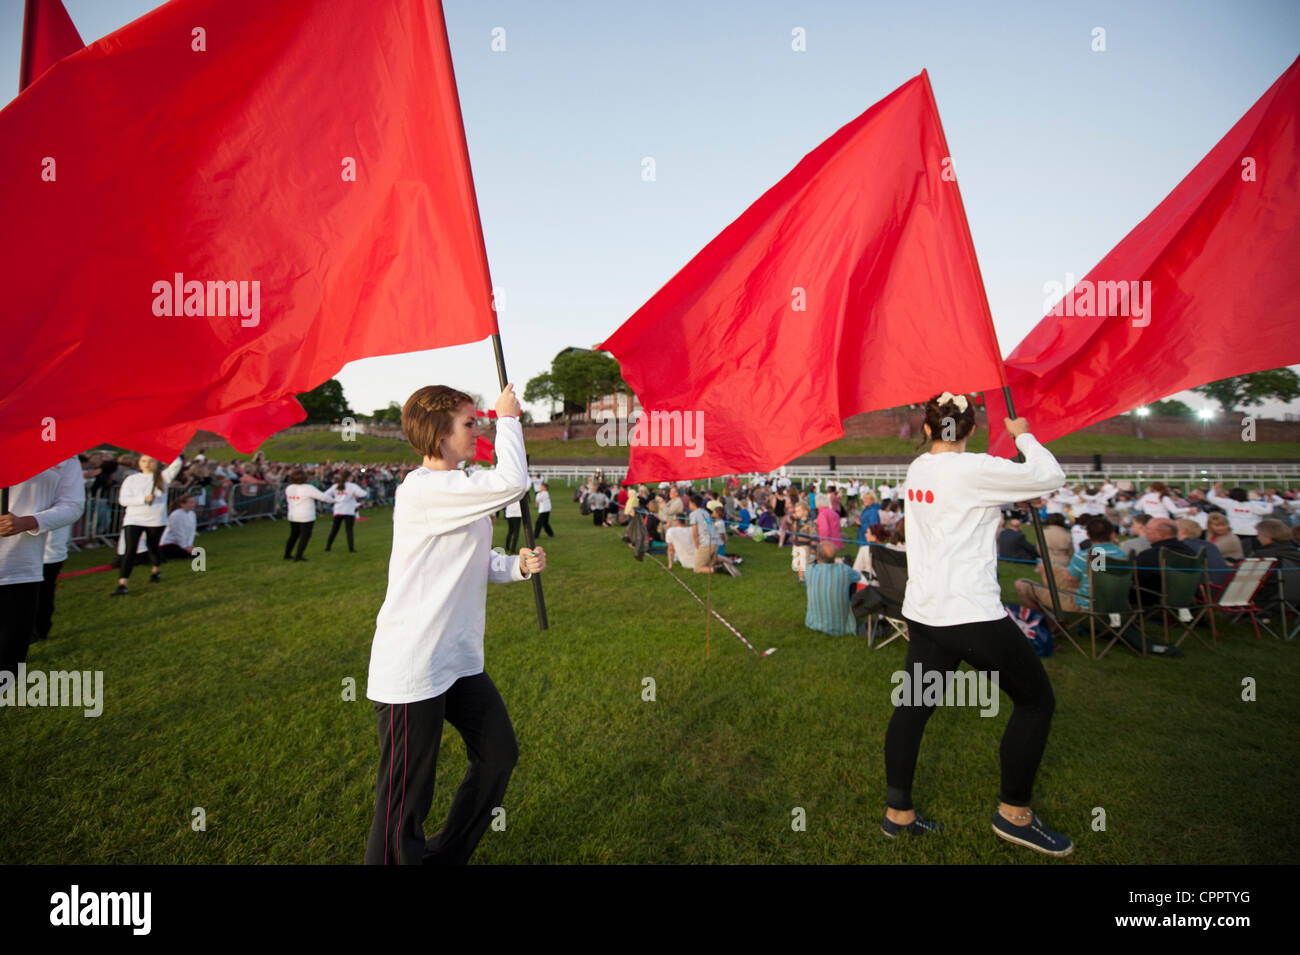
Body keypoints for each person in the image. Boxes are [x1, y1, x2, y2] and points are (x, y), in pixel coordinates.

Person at [883, 392, 1074, 856]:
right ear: (969, 429)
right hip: (970, 614)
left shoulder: (920, 469)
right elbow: (1051, 475)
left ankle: (898, 814)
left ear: (929, 429)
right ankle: (1015, 815)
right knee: (1036, 702)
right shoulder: (975, 468)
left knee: (913, 708)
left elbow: (977, 497)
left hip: (927, 613)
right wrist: (1022, 433)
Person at [364, 383, 545, 866]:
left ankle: (444, 858)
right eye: (470, 423)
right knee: (405, 802)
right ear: (439, 436)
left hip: (459, 660)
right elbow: (512, 481)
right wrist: (510, 419)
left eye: (481, 421)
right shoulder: (424, 491)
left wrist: (517, 566)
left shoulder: (457, 487)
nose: (479, 429)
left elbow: (478, 559)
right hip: (414, 664)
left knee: (498, 754)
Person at [0, 457, 84, 674]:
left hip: (20, 569)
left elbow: (73, 505)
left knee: (9, 662)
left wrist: (28, 521)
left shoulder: (65, 453)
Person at [113, 454, 184, 595]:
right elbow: (123, 500)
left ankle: (156, 569)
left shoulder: (163, 478)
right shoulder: (131, 479)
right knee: (130, 550)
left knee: (152, 546)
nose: (147, 464)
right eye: (144, 461)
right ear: (139, 463)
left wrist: (164, 450)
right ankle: (123, 583)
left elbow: (177, 463)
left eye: (151, 461)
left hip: (155, 519)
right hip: (133, 519)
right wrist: (143, 499)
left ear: (157, 463)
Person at [802, 541, 863, 635]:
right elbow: (858, 577)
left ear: (818, 556)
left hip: (814, 623)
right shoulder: (844, 570)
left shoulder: (810, 570)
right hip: (841, 625)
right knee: (851, 583)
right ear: (835, 557)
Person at [283, 469, 332, 561]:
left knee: (293, 535)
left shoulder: (289, 488)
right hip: (306, 516)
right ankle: (298, 556)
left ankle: (287, 554)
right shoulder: (308, 488)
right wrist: (333, 500)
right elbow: (322, 497)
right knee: (305, 536)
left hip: (293, 515)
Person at [324, 471, 368, 552]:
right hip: (349, 511)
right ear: (349, 477)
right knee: (349, 531)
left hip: (338, 510)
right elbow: (363, 494)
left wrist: (334, 501)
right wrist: (356, 494)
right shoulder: (352, 486)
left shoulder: (336, 486)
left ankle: (328, 547)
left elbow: (325, 494)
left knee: (334, 530)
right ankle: (351, 549)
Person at [159, 495, 200, 561]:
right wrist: (184, 546)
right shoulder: (176, 515)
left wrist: (189, 545)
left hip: (181, 544)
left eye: (193, 502)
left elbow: (192, 531)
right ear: (182, 504)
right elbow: (178, 532)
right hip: (170, 543)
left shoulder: (192, 514)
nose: (193, 504)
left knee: (197, 552)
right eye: (191, 502)